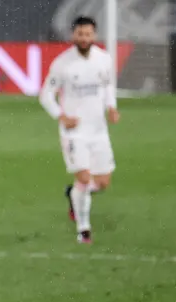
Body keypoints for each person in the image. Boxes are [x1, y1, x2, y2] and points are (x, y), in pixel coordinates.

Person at [39, 16, 120, 244]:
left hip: (99, 130)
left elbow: (107, 86)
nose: (84, 38)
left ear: (94, 35)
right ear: (73, 35)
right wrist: (61, 116)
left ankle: (73, 195)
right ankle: (83, 230)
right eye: (80, 34)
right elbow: (45, 95)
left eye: (88, 34)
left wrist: (111, 107)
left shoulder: (104, 59)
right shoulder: (62, 63)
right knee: (84, 178)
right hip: (75, 132)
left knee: (102, 182)